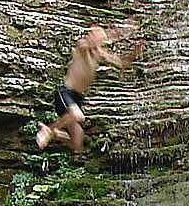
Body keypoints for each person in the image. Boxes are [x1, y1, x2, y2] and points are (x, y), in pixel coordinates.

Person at [36, 22, 142, 152]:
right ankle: (49, 130)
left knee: (77, 145)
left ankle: (58, 133)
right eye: (98, 38)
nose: (100, 42)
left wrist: (134, 55)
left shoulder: (98, 53)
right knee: (78, 116)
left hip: (78, 98)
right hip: (66, 93)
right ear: (90, 36)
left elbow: (120, 63)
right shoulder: (82, 45)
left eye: (102, 40)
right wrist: (117, 33)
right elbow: (87, 44)